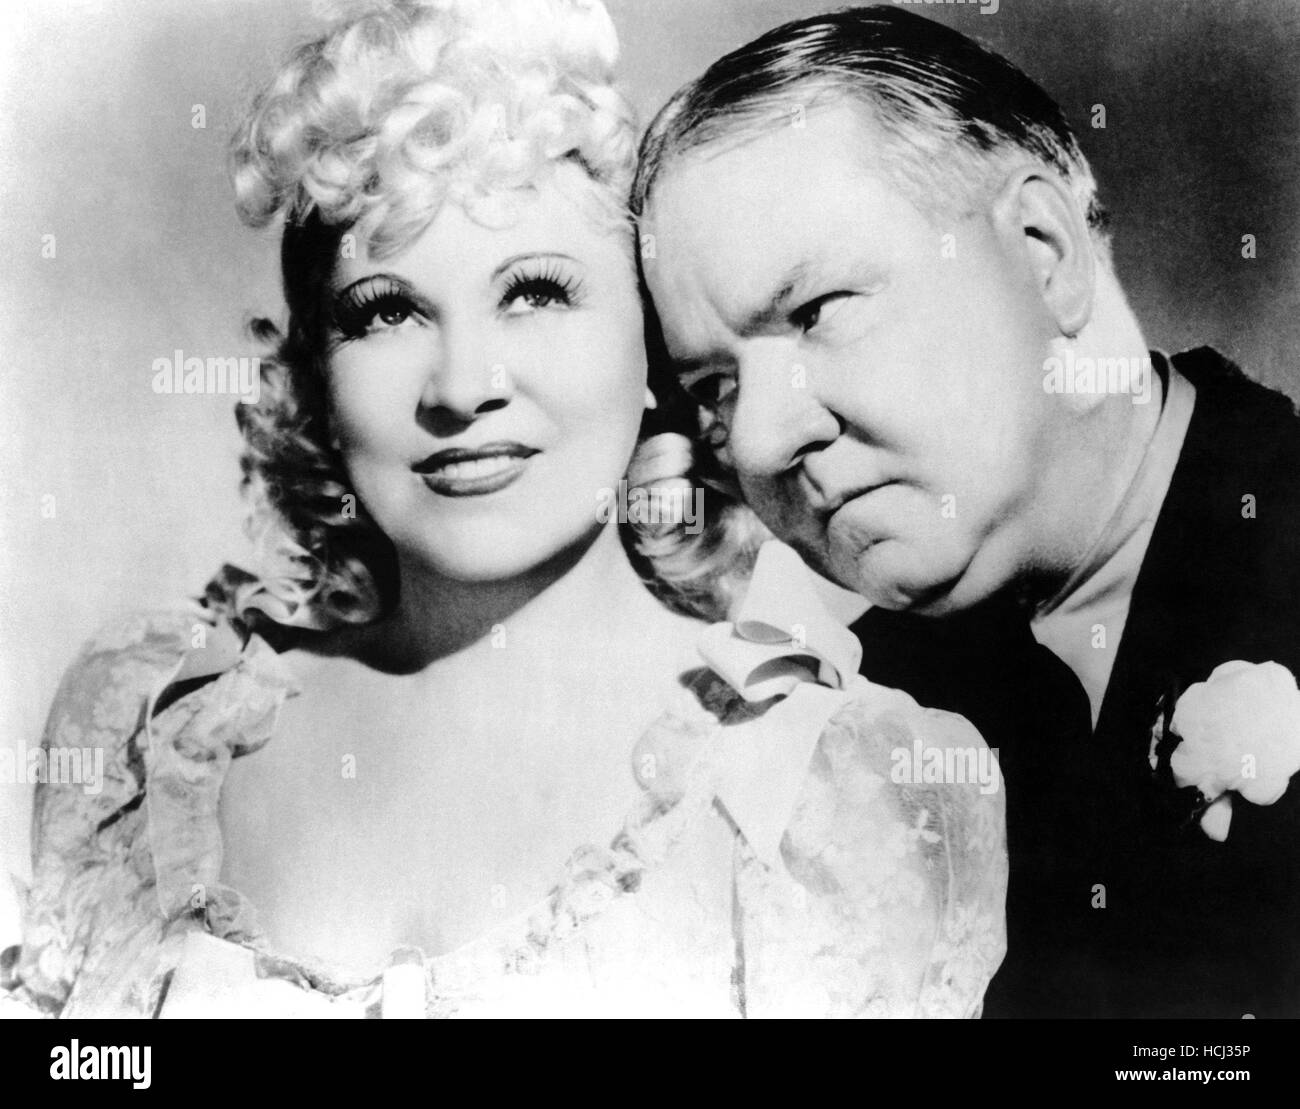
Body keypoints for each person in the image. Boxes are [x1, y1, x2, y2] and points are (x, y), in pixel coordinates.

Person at [1, 0, 1005, 1018]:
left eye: (533, 291)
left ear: (652, 351)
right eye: (385, 310)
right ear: (314, 371)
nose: (463, 384)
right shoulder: (143, 725)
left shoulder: (831, 787)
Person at [634, 4, 1300, 1018]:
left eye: (818, 310)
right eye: (715, 388)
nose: (761, 441)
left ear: (1044, 253)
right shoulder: (865, 730)